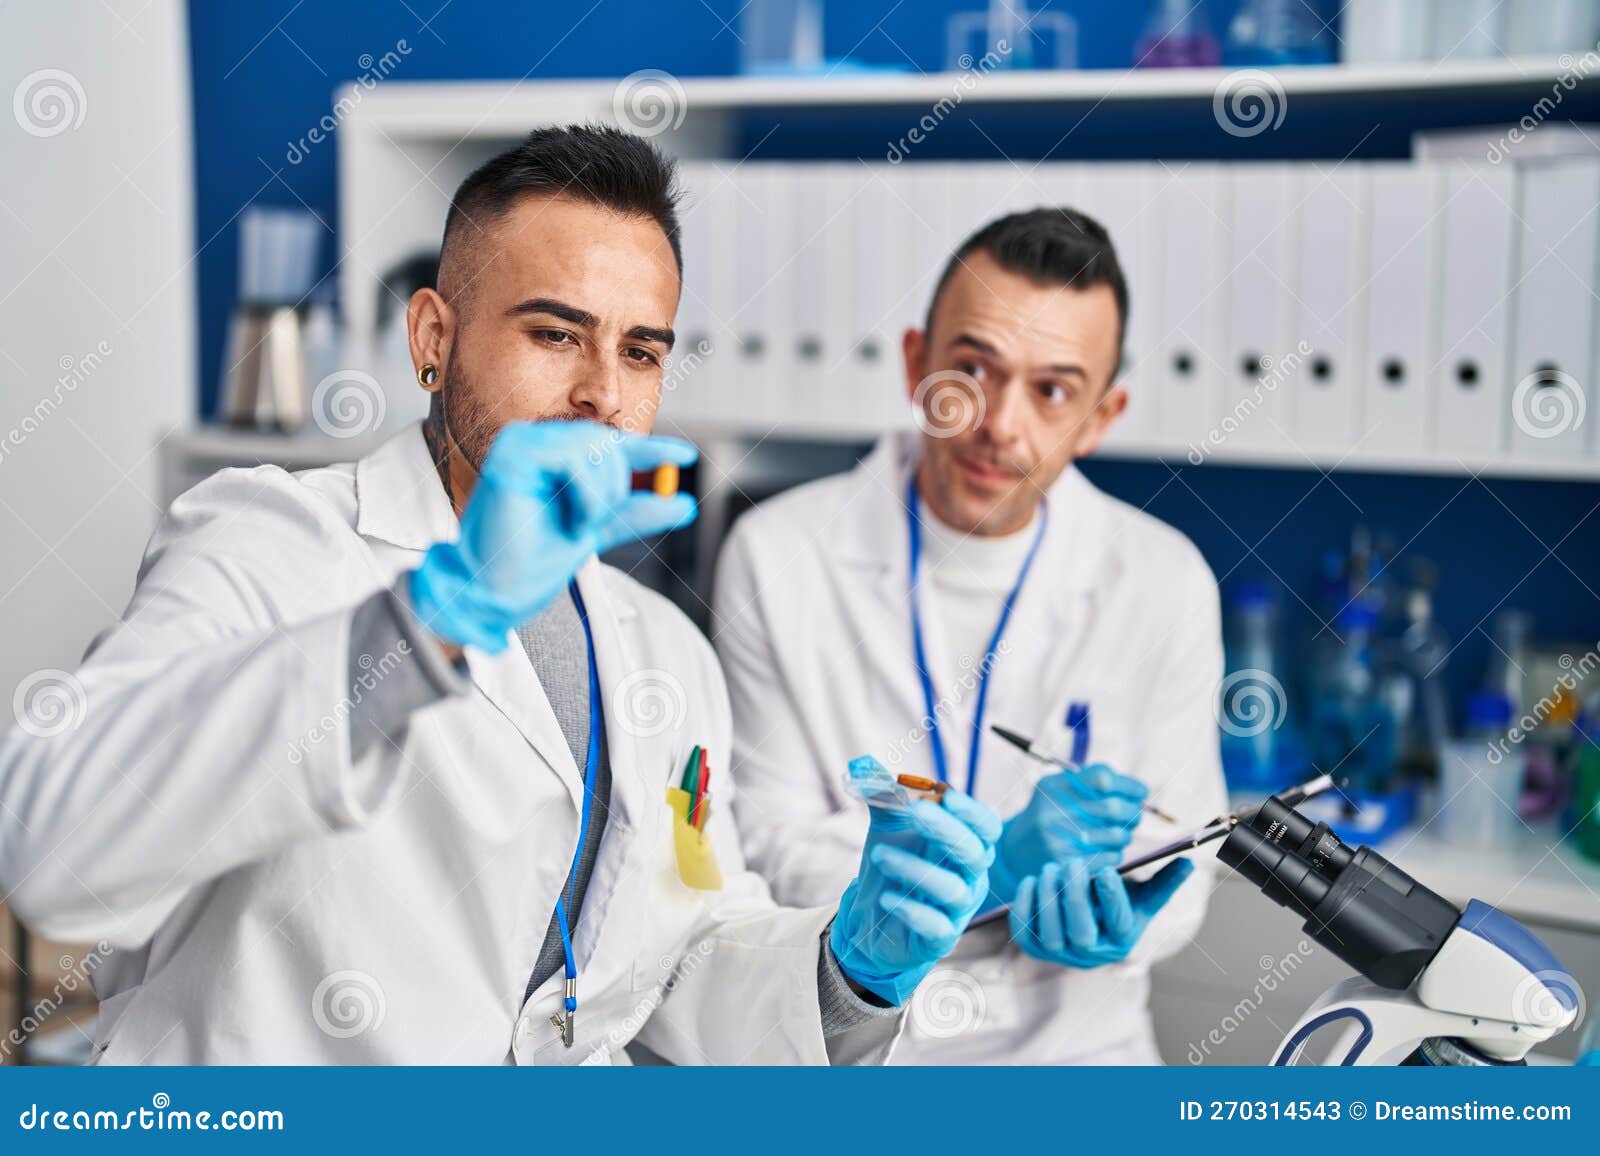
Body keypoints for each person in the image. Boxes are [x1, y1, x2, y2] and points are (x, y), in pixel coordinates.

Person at [0, 126, 1002, 1065]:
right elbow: (54, 848)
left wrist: (849, 971)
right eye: (556, 334)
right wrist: (432, 619)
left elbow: (677, 961)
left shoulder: (662, 648)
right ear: (432, 336)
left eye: (640, 351)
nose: (603, 393)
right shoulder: (272, 539)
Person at [714, 208, 1228, 1064]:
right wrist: (998, 873)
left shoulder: (1163, 579)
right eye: (973, 370)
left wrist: (1123, 923)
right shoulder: (777, 556)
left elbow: (1185, 867)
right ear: (917, 364)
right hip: (861, 1057)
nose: (998, 425)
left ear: (1101, 416)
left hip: (1075, 1063)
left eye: (1052, 391)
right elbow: (767, 851)